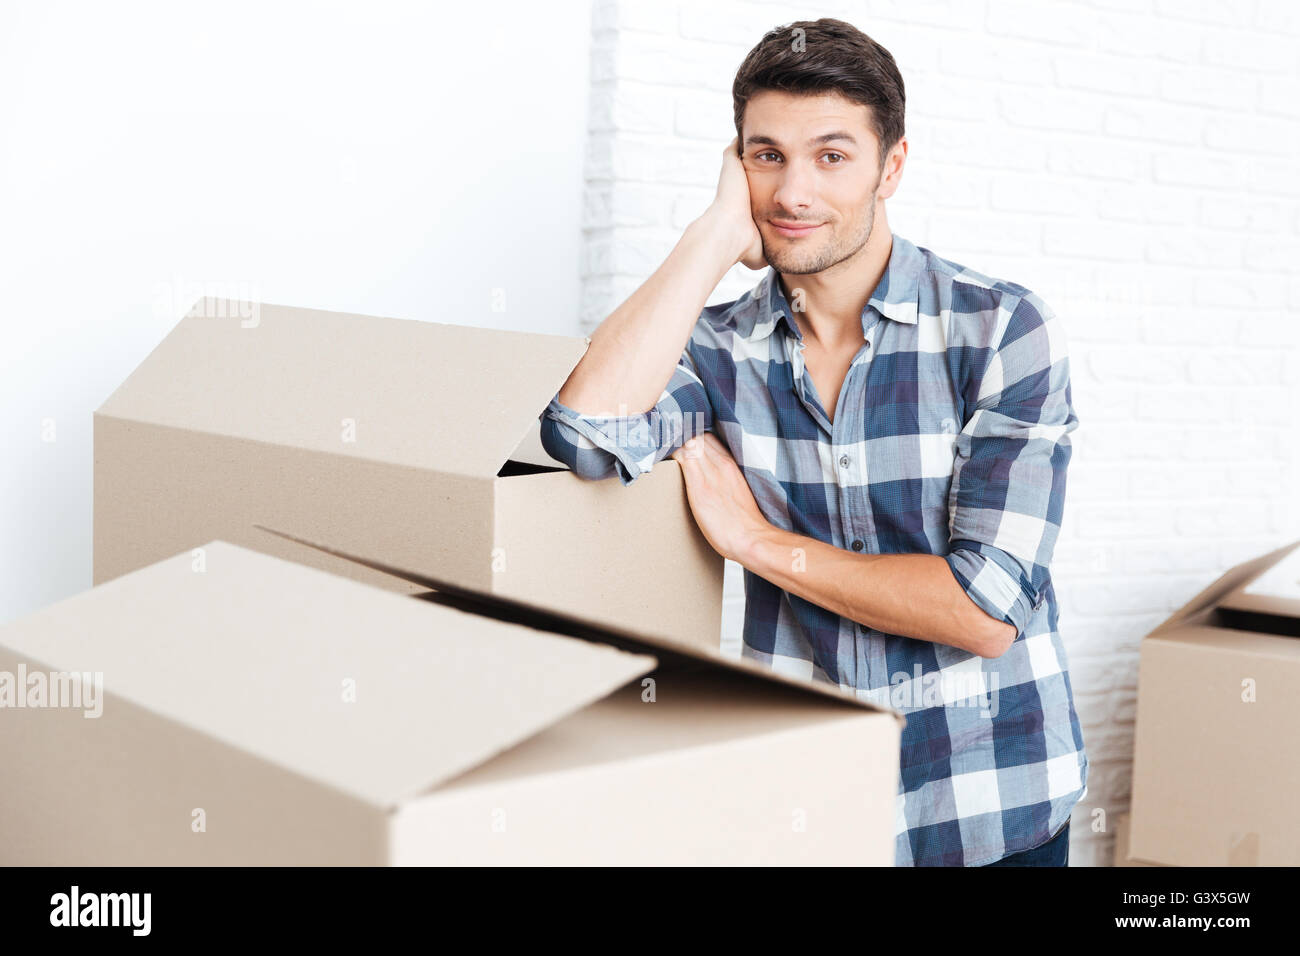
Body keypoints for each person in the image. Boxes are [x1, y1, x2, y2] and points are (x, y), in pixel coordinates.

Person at [539, 17, 1086, 867]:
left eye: (831, 155)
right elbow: (583, 435)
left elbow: (983, 612)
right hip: (814, 820)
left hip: (993, 805)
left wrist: (757, 543)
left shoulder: (1000, 330)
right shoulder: (714, 348)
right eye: (767, 156)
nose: (793, 193)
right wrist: (716, 236)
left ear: (890, 166)